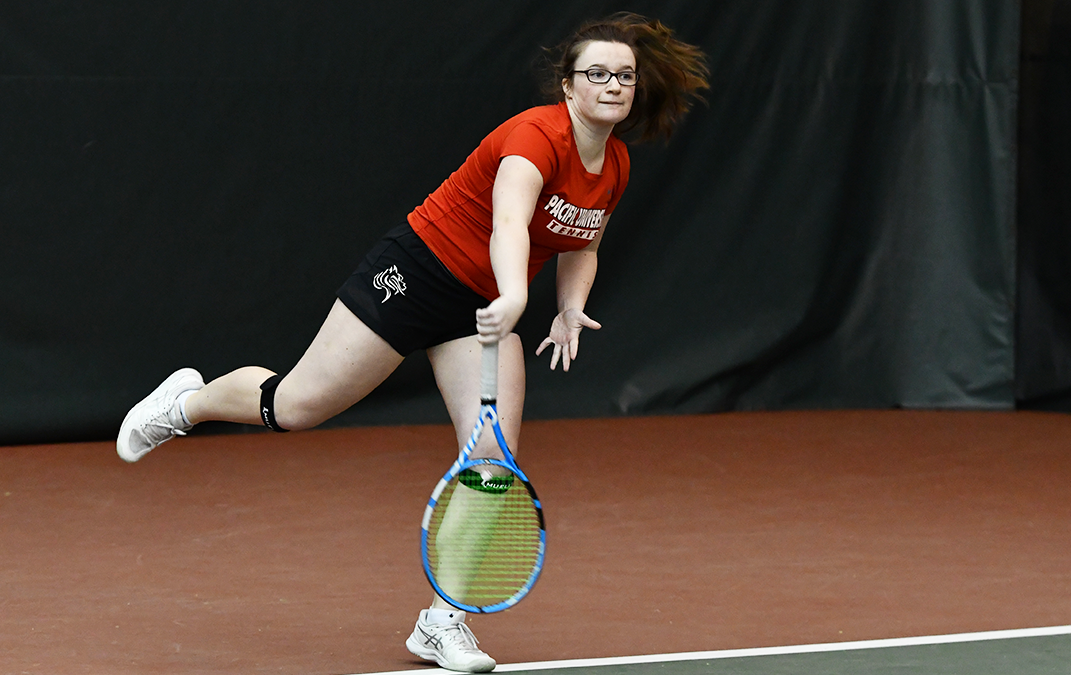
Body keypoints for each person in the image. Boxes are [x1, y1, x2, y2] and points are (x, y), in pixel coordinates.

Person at [116, 12, 708, 674]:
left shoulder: (615, 164)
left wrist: (569, 307)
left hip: (478, 312)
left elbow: (584, 240)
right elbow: (510, 222)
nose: (613, 84)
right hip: (417, 273)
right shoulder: (533, 137)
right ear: (568, 86)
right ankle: (186, 403)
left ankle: (440, 621)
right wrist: (515, 296)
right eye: (597, 73)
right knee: (295, 406)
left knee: (492, 464)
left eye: (624, 75)